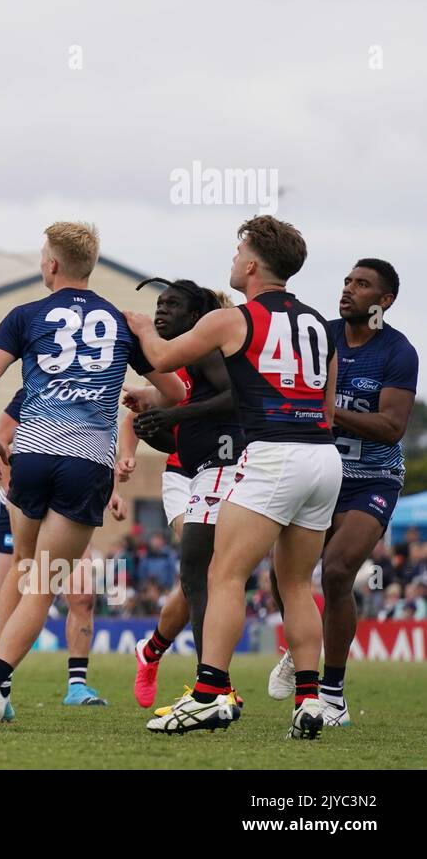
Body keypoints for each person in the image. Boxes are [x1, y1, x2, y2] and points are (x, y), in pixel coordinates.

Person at [0, 222, 186, 732]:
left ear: (53, 264)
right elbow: (174, 392)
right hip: (87, 462)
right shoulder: (121, 321)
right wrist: (144, 397)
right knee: (44, 584)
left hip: (33, 454)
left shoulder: (24, 315)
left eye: (43, 256)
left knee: (20, 569)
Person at [127, 216, 341, 739]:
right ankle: (311, 702)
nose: (232, 259)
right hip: (323, 457)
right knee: (294, 583)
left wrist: (139, 328)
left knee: (223, 575)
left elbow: (160, 356)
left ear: (250, 264)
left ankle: (208, 695)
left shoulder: (231, 320)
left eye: (237, 249)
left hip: (274, 455)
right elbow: (328, 408)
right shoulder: (318, 323)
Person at [267, 258, 418, 726]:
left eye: (363, 284)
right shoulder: (320, 334)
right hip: (320, 471)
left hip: (372, 479)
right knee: (282, 573)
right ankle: (301, 646)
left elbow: (392, 427)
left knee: (335, 573)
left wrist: (328, 410)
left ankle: (332, 694)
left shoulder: (398, 351)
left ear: (384, 301)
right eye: (348, 281)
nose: (349, 289)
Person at [0, 387, 129, 712]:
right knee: (22, 595)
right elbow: (0, 439)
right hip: (21, 505)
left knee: (80, 593)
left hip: (69, 505)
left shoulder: (99, 388)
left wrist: (110, 492)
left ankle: (76, 685)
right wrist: (15, 494)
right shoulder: (39, 388)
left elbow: (98, 451)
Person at [126, 280, 244, 714]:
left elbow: (235, 399)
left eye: (172, 305)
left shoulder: (204, 350)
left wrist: (172, 415)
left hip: (225, 469)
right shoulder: (189, 360)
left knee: (201, 574)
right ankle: (217, 685)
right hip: (198, 473)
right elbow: (185, 426)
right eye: (159, 304)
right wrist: (150, 432)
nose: (161, 311)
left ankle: (209, 687)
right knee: (203, 575)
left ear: (196, 318)